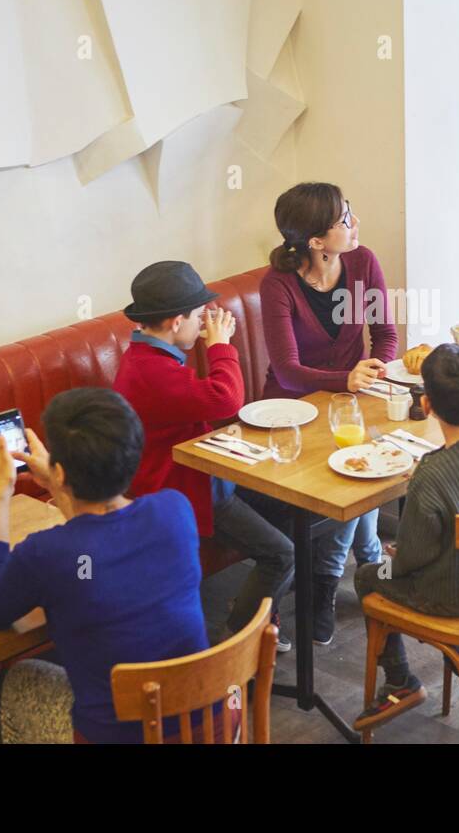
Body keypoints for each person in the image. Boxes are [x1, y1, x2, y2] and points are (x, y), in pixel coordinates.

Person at [0, 387, 210, 743]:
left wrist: (2, 490)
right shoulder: (175, 510)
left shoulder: (48, 553)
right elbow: (100, 537)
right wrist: (58, 482)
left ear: (61, 471)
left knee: (23, 678)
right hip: (207, 726)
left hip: (123, 736)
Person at [112, 261, 295, 649]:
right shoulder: (151, 371)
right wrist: (220, 346)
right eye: (198, 316)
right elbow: (226, 398)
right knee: (281, 554)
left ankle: (262, 610)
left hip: (204, 471)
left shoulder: (145, 355)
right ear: (176, 322)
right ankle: (238, 646)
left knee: (291, 503)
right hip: (180, 490)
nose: (203, 323)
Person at [352, 344, 459, 731]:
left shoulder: (430, 474)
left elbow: (412, 557)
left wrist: (390, 562)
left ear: (426, 404)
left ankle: (401, 681)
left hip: (444, 596)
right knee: (395, 563)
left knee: (367, 575)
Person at [260, 181, 399, 644]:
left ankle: (334, 578)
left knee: (366, 465)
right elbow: (288, 370)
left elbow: (385, 334)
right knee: (357, 476)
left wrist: (374, 372)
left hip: (352, 402)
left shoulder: (362, 261)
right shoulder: (278, 284)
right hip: (290, 413)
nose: (355, 224)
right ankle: (366, 567)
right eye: (344, 220)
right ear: (315, 242)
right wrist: (346, 381)